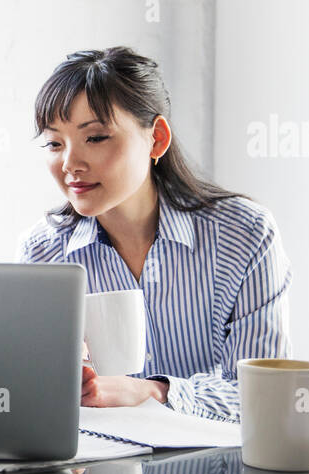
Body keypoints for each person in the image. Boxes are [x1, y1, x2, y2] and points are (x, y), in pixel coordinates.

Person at [18, 47, 290, 422]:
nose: (70, 164)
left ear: (157, 139)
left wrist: (153, 391)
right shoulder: (43, 252)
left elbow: (266, 399)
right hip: (97, 471)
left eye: (95, 137)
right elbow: (29, 402)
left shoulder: (244, 235)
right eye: (54, 143)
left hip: (218, 473)